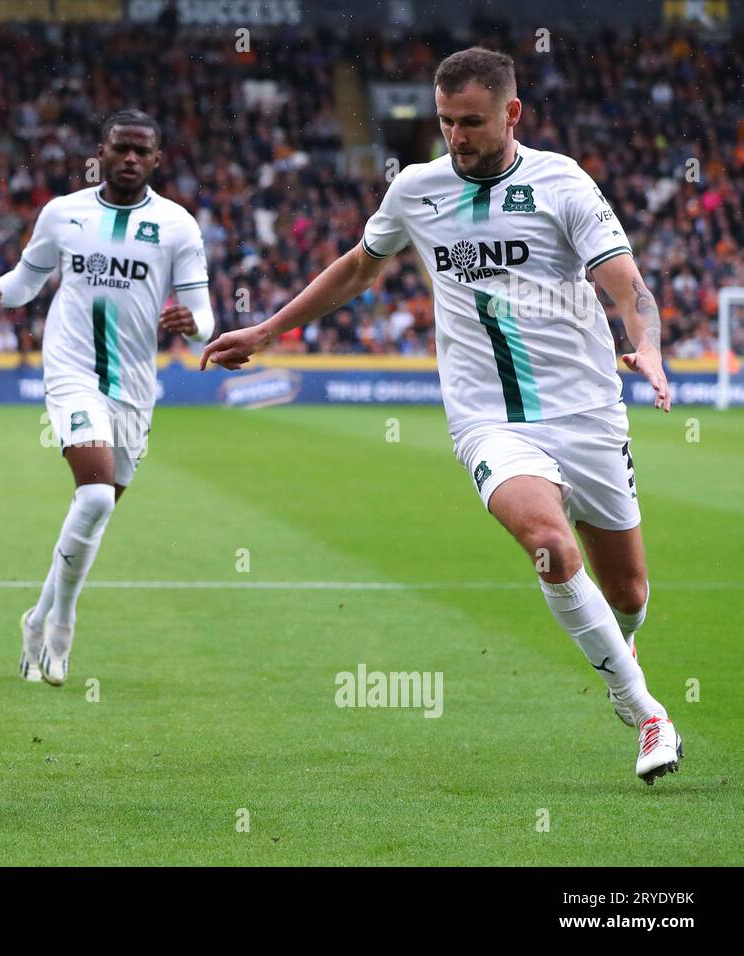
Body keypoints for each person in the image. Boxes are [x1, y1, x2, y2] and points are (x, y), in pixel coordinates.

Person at [201, 48, 682, 785]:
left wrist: (646, 346)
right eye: (446, 122)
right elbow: (360, 267)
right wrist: (270, 328)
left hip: (587, 413)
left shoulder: (562, 183)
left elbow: (627, 287)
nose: (456, 136)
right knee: (548, 543)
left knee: (630, 595)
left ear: (511, 113)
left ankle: (624, 651)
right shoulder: (417, 190)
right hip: (489, 419)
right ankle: (644, 708)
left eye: (472, 122)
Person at [0, 109, 215, 686]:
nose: (130, 159)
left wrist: (194, 325)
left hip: (134, 388)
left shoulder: (178, 225)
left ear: (157, 159)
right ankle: (62, 621)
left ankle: (36, 617)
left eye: (142, 151)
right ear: (101, 152)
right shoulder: (63, 214)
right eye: (120, 148)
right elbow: (23, 284)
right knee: (96, 500)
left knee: (98, 507)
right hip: (71, 371)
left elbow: (206, 316)